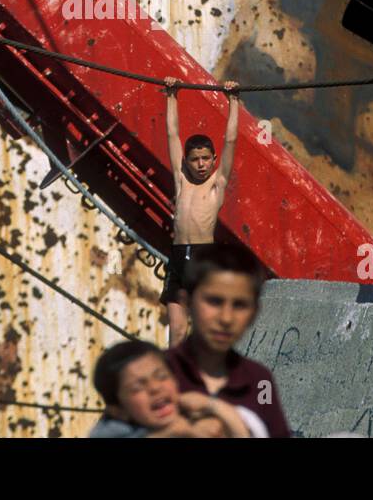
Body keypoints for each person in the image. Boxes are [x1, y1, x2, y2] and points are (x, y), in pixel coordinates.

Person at [166, 244, 292, 438]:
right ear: (187, 302)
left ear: (254, 313)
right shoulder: (152, 372)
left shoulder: (260, 382)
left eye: (240, 305)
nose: (226, 318)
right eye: (214, 301)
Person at [161, 76, 239, 347]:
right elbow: (172, 135)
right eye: (195, 159)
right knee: (177, 333)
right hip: (178, 258)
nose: (201, 164)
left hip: (203, 259)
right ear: (186, 162)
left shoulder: (217, 184)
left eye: (206, 158)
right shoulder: (180, 181)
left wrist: (233, 101)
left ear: (214, 160)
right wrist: (172, 95)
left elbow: (230, 140)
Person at [87, 340, 255, 437]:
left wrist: (213, 406)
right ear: (117, 410)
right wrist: (179, 430)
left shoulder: (193, 412)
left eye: (161, 376)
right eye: (137, 386)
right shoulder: (111, 430)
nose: (154, 388)